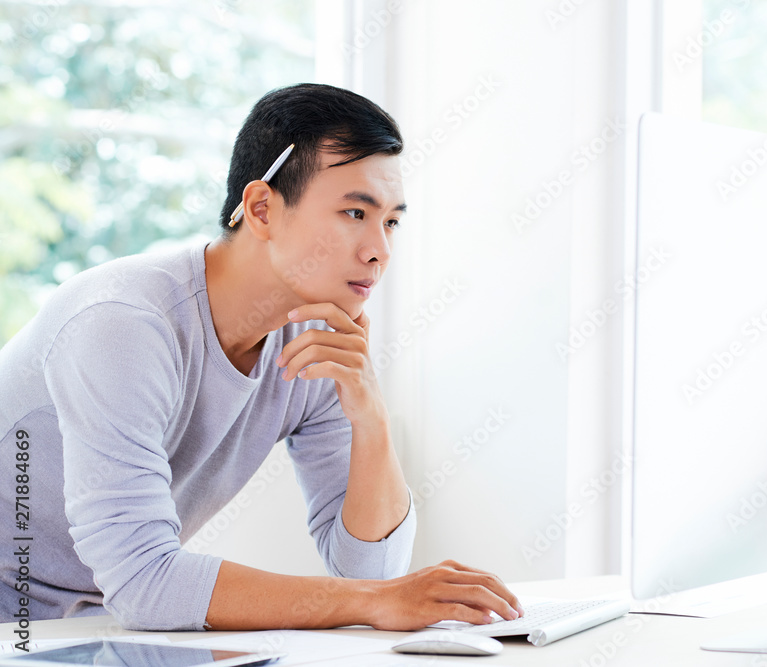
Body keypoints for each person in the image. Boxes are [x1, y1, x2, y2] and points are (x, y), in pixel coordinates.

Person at [0, 83, 522, 631]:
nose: (379, 250)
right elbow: (146, 583)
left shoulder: (316, 345)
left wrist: (371, 417)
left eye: (390, 221)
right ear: (262, 208)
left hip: (81, 628)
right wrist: (373, 600)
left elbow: (368, 567)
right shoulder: (123, 323)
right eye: (353, 212)